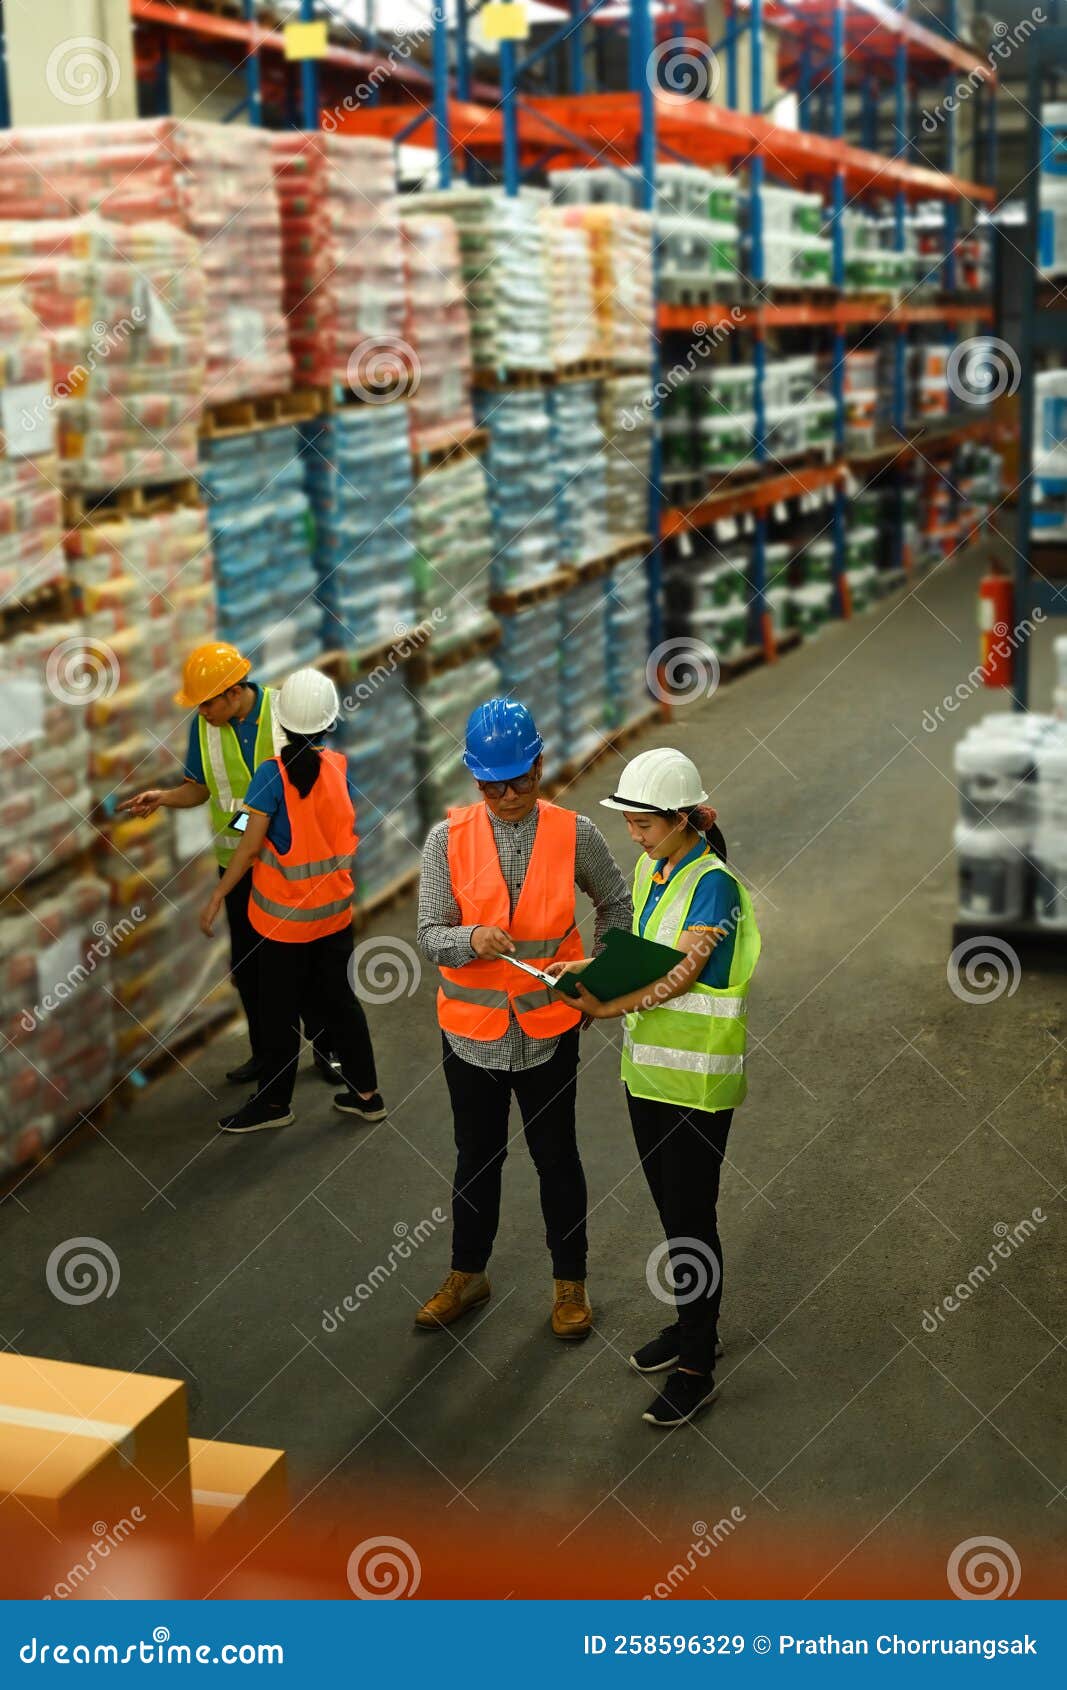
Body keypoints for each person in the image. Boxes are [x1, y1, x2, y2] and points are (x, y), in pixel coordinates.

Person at [549, 748, 761, 1429]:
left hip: (697, 1083)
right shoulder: (652, 867)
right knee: (671, 1214)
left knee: (692, 1216)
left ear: (680, 818)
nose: (632, 836)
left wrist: (610, 1008)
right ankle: (692, 1324)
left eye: (643, 824)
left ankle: (697, 1367)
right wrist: (581, 968)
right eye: (630, 823)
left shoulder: (714, 884)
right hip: (646, 1073)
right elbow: (642, 952)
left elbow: (684, 973)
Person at [415, 698, 632, 1338]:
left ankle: (570, 1285)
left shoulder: (575, 834)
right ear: (474, 778)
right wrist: (470, 938)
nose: (508, 795)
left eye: (521, 780)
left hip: (548, 1033)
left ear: (541, 766)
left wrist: (600, 980)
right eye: (493, 784)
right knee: (474, 1160)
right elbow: (430, 933)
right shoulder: (445, 840)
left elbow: (616, 902)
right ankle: (467, 1274)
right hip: (471, 1035)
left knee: (556, 1158)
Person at [120, 642, 339, 1087]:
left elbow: (307, 790)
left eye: (207, 702)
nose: (201, 712)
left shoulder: (286, 712)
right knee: (250, 967)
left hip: (289, 863)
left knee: (306, 961)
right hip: (236, 865)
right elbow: (199, 788)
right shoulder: (203, 728)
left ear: (234, 692)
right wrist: (164, 798)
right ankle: (267, 1056)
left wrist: (253, 823)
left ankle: (328, 1051)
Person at [199, 668, 385, 1137]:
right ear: (327, 723)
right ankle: (367, 1095)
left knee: (277, 1010)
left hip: (281, 921)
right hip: (334, 915)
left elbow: (246, 845)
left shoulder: (270, 776)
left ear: (280, 721)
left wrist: (220, 891)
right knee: (342, 1003)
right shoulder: (339, 768)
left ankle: (275, 1102)